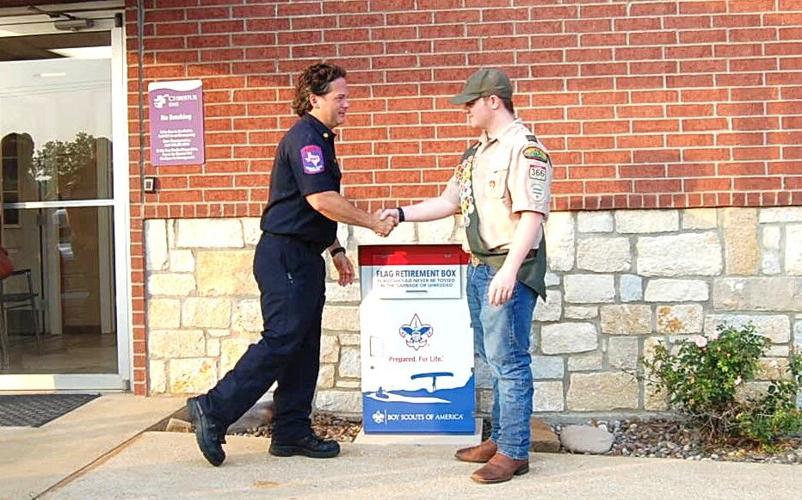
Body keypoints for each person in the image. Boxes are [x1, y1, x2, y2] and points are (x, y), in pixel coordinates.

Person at [187, 62, 395, 467]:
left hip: (303, 254)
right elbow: (321, 200)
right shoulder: (306, 141)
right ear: (314, 98)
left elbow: (312, 208)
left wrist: (335, 250)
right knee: (282, 339)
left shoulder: (320, 139)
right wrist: (371, 221)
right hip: (284, 255)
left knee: (303, 346)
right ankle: (213, 409)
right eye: (340, 97)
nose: (347, 104)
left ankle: (291, 432)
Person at [381, 68, 552, 484]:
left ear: (493, 100)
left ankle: (514, 452)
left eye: (471, 103)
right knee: (493, 360)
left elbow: (532, 216)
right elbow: (448, 200)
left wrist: (509, 272)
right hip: (479, 268)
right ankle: (501, 438)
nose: (466, 111)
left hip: (506, 269)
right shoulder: (475, 153)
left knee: (509, 363)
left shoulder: (525, 150)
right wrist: (400, 215)